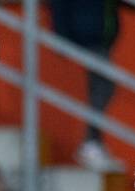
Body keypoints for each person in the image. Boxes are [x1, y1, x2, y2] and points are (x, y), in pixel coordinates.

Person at [49, 0, 123, 171]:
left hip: (101, 37)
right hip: (86, 37)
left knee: (102, 89)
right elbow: (58, 5)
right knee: (104, 87)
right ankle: (91, 144)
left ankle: (93, 144)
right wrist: (61, 39)